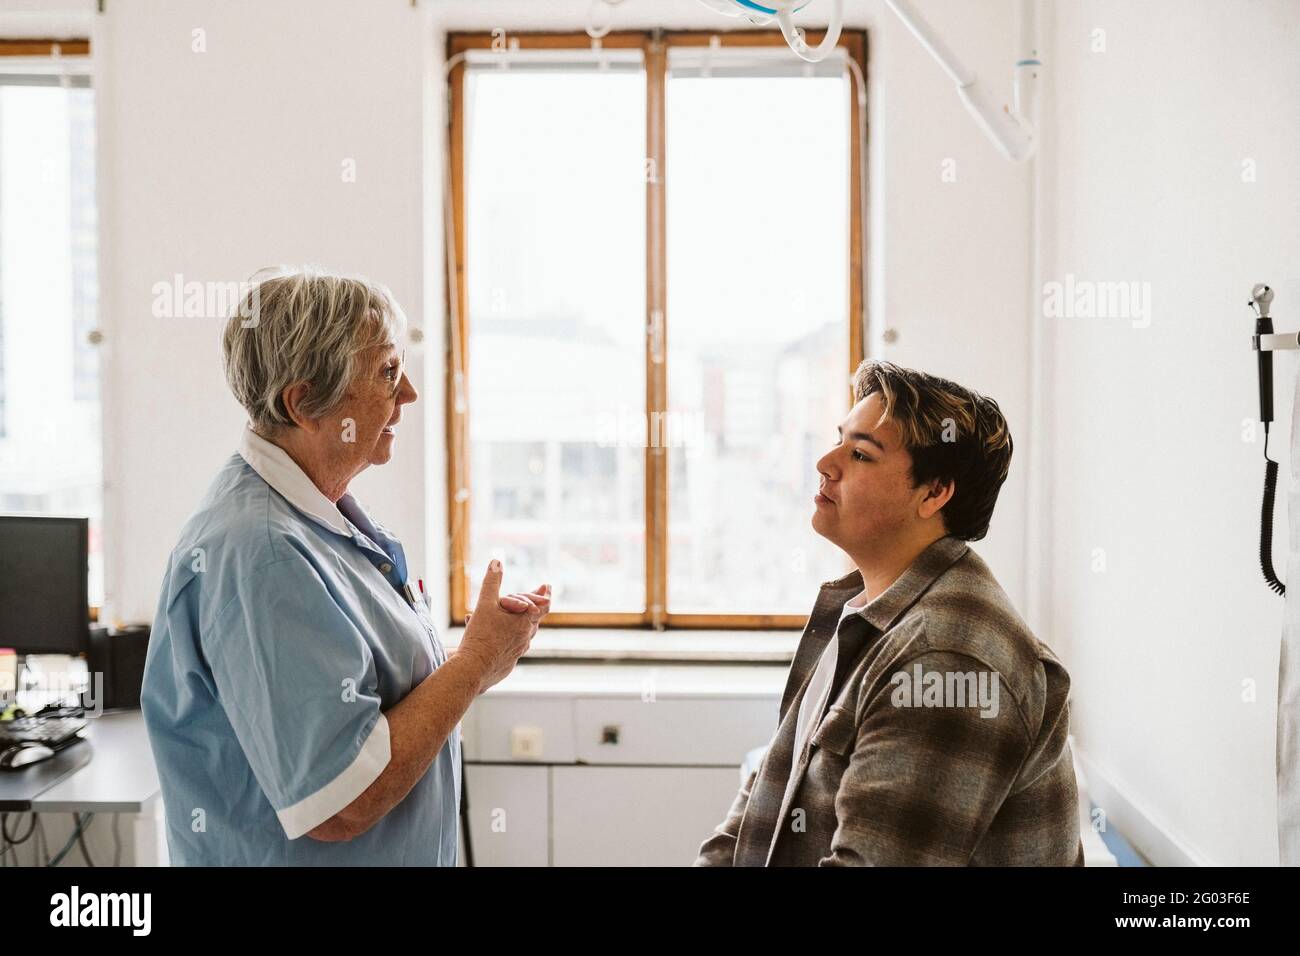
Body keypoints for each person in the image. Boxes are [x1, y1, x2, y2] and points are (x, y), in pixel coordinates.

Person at [141, 266, 549, 865]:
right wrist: (477, 663)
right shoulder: (260, 554)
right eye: (387, 371)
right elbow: (339, 802)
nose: (407, 393)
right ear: (304, 403)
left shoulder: (321, 519)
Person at [695, 360, 1083, 866]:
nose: (826, 462)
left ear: (933, 493)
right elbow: (762, 808)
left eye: (860, 453)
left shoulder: (946, 658)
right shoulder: (869, 609)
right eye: (840, 440)